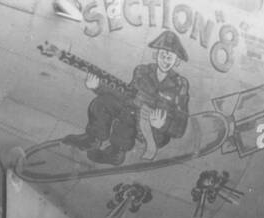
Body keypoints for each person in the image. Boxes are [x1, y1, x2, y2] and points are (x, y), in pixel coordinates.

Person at [62, 31, 191, 165]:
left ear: (177, 61)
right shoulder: (142, 71)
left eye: (169, 57)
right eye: (162, 55)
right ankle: (93, 138)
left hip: (155, 132)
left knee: (129, 112)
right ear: (155, 55)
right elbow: (126, 95)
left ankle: (116, 152)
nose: (165, 60)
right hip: (135, 114)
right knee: (104, 102)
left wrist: (163, 125)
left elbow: (181, 125)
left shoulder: (180, 84)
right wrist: (97, 87)